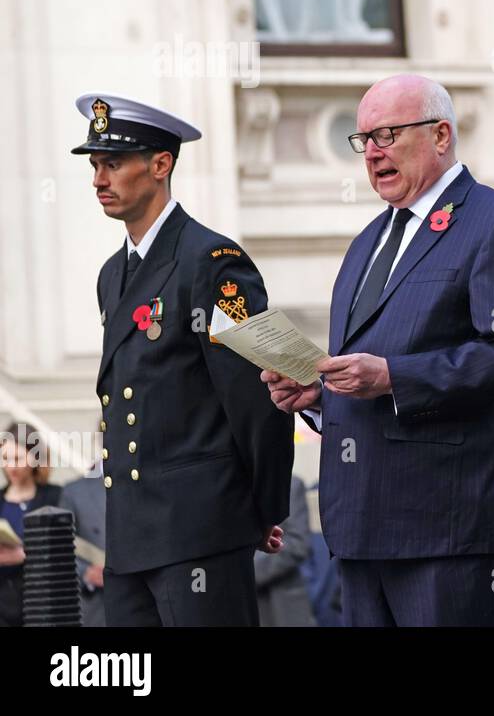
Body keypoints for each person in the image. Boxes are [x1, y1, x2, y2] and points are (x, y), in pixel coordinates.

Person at [263, 74, 494, 626]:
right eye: (363, 138)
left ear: (441, 135)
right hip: (361, 528)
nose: (372, 152)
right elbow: (361, 368)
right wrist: (318, 394)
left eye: (388, 134)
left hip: (448, 529)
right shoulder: (367, 241)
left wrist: (394, 377)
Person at [73, 93, 293, 626]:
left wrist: (263, 509)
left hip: (201, 528)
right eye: (95, 165)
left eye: (114, 163)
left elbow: (257, 396)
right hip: (130, 536)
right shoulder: (112, 273)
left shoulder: (214, 262)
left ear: (160, 164)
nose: (99, 179)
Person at [0, 423, 63, 627]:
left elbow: (67, 551)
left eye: (17, 458)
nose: (11, 466)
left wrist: (25, 555)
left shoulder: (56, 497)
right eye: (5, 458)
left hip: (44, 605)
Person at [254, 475, 316, 626]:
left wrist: (245, 571)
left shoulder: (290, 485)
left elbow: (297, 545)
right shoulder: (228, 487)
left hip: (280, 606)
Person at [60, 454, 109, 627]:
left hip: (145, 603)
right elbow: (62, 547)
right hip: (96, 606)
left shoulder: (151, 483)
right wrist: (86, 573)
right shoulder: (75, 491)